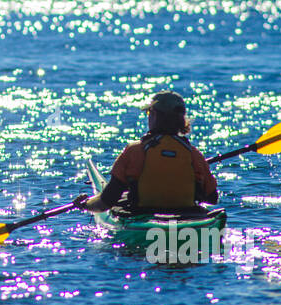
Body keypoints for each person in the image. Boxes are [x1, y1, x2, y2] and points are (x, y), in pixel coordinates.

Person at [80, 91, 218, 213]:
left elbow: (106, 202)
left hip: (144, 218)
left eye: (149, 112)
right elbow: (212, 198)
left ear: (156, 115)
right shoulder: (194, 155)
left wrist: (85, 205)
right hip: (187, 220)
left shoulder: (135, 151)